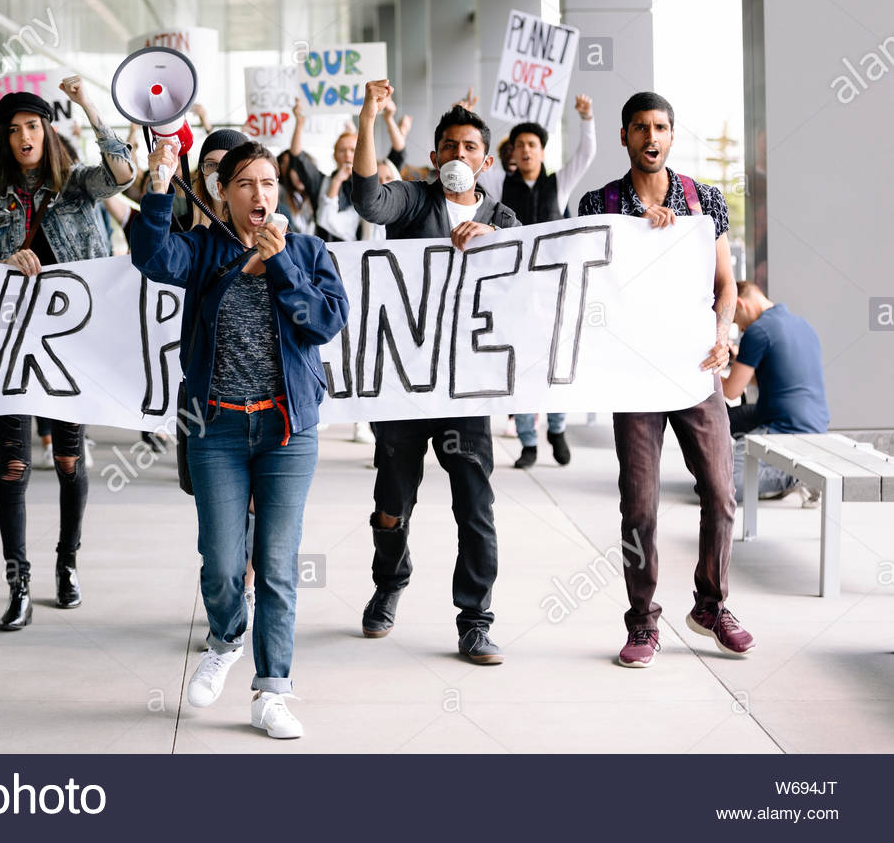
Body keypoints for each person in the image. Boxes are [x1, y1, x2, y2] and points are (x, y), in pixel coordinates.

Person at [132, 138, 348, 739]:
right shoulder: (202, 250)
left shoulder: (305, 250)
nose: (260, 194)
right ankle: (226, 637)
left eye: (269, 183)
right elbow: (151, 257)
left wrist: (278, 265)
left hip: (285, 431)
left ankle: (271, 692)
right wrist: (155, 187)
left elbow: (326, 322)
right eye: (246, 184)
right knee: (223, 563)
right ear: (222, 194)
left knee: (277, 566)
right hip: (216, 428)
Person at [577, 91, 753, 668]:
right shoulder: (599, 204)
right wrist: (641, 242)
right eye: (639, 128)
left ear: (672, 136)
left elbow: (726, 284)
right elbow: (584, 285)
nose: (650, 137)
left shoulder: (704, 203)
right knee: (641, 507)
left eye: (660, 128)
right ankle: (642, 620)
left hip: (695, 369)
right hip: (635, 378)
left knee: (722, 495)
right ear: (625, 136)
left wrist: (724, 332)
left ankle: (711, 605)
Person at [350, 80, 519, 665]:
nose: (458, 156)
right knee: (392, 500)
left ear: (486, 159)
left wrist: (496, 240)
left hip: (465, 387)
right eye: (448, 146)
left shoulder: (505, 217)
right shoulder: (414, 201)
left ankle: (475, 619)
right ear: (434, 156)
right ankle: (389, 582)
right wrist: (371, 114)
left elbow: (529, 277)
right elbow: (370, 199)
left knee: (474, 506)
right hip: (404, 383)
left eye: (470, 147)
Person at [0, 79, 134, 627]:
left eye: (32, 126)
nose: (23, 137)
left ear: (48, 132)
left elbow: (125, 172)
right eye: (12, 131)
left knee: (67, 460)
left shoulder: (78, 187)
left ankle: (68, 563)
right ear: (4, 141)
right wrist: (3, 262)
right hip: (12, 345)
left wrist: (88, 105)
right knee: (13, 465)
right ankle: (18, 585)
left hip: (70, 347)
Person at [504, 94, 597, 469]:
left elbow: (585, 155)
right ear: (512, 152)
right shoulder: (499, 183)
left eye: (532, 145)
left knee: (557, 364)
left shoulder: (558, 185)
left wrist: (586, 117)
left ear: (542, 151)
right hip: (514, 294)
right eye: (520, 145)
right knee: (521, 367)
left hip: (555, 292)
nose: (526, 150)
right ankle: (528, 441)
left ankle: (557, 428)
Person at [723, 280, 829, 502]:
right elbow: (772, 380)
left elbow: (732, 391)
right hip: (812, 424)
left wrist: (708, 372)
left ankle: (797, 477)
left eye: (736, 322)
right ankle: (756, 465)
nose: (740, 328)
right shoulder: (802, 325)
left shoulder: (757, 331)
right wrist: (739, 361)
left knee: (723, 487)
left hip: (784, 427)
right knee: (719, 421)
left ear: (740, 304)